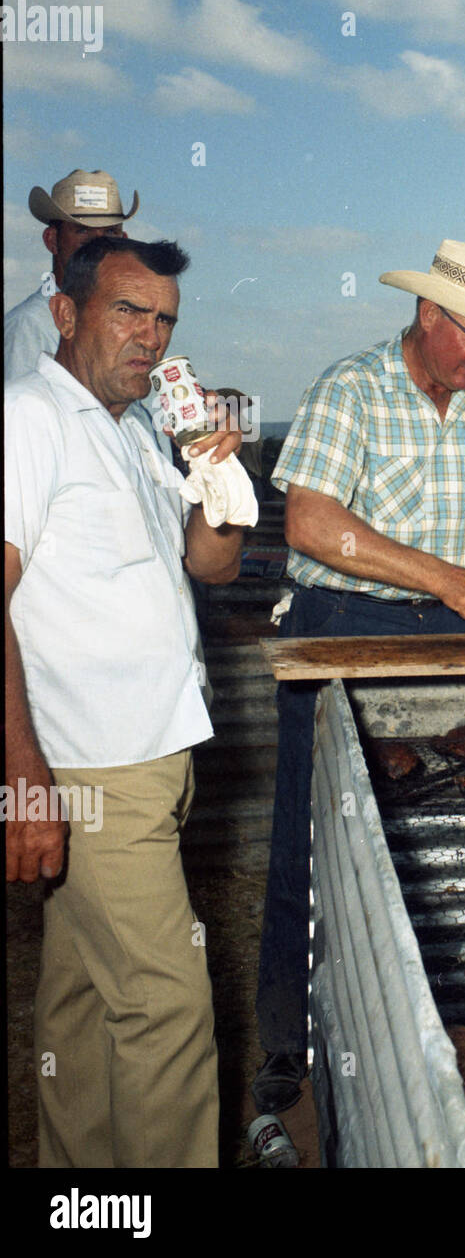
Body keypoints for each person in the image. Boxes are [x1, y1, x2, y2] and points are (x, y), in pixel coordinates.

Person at [255, 239, 465, 1114]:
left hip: (453, 634)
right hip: (344, 627)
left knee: (446, 816)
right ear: (429, 314)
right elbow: (309, 524)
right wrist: (445, 576)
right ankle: (285, 1045)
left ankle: (432, 1010)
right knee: (314, 829)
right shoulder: (352, 388)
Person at [4, 235, 247, 1167]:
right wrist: (23, 773)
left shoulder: (143, 425)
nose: (149, 338)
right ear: (65, 313)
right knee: (167, 1009)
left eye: (164, 321)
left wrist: (220, 486)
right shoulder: (29, 415)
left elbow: (208, 567)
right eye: (126, 312)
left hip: (162, 750)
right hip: (89, 767)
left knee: (83, 998)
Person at [5, 168, 136, 381]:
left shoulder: (124, 324)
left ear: (125, 240)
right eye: (83, 230)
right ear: (52, 240)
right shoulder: (29, 327)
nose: (98, 244)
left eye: (110, 232)